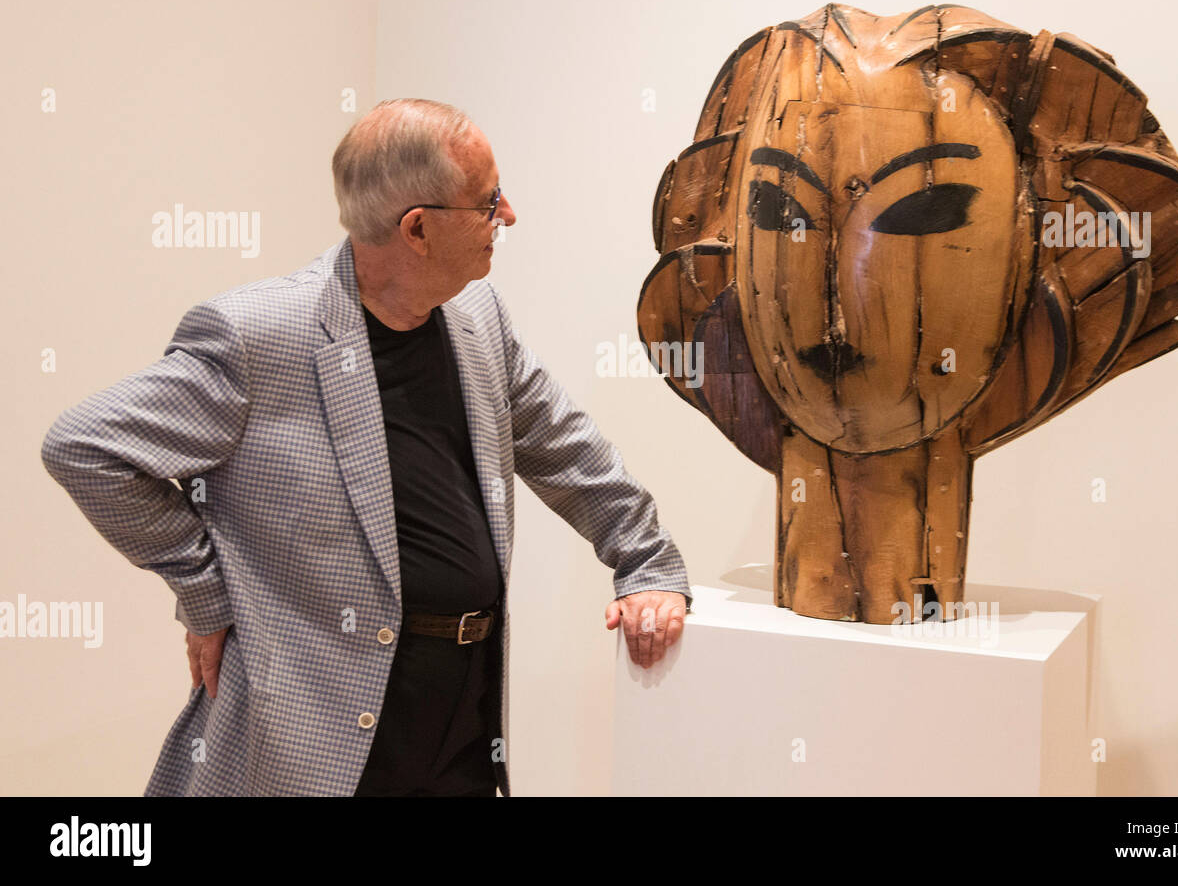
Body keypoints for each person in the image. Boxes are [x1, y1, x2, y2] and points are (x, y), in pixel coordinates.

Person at [40, 98, 691, 796]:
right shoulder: (259, 336)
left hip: (466, 720)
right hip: (322, 735)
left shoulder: (477, 316)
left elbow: (566, 448)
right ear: (417, 228)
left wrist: (646, 563)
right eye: (487, 200)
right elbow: (85, 446)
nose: (507, 215)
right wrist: (207, 595)